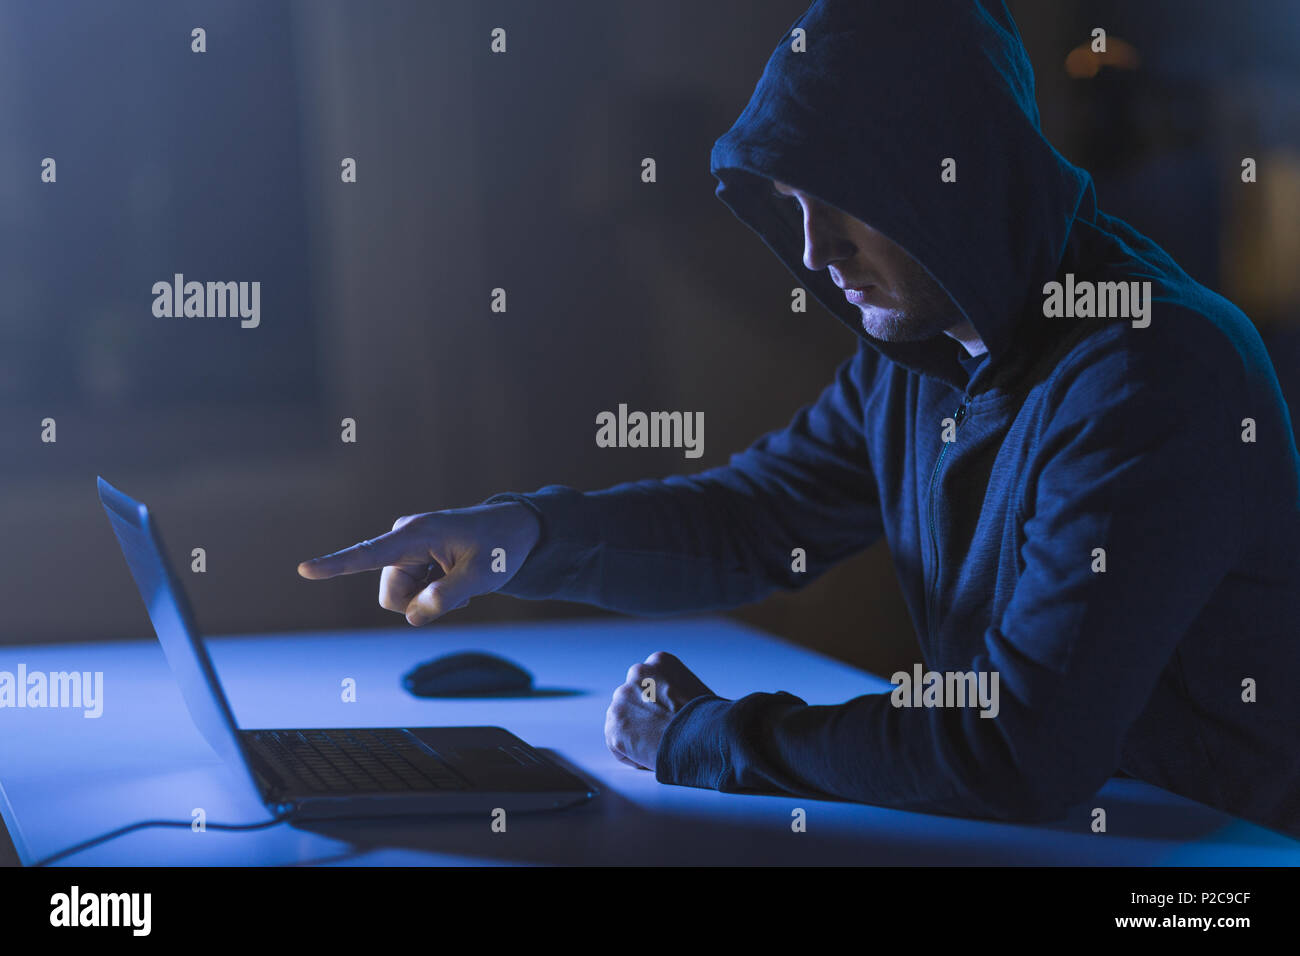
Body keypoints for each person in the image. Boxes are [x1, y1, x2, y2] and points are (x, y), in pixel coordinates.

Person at [298, 0, 1300, 837]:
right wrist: (520, 537)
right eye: (792, 204)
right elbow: (756, 519)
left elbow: (1016, 747)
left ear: (955, 169)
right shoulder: (923, 348)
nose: (816, 251)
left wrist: (702, 735)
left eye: (844, 203)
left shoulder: (1148, 373)